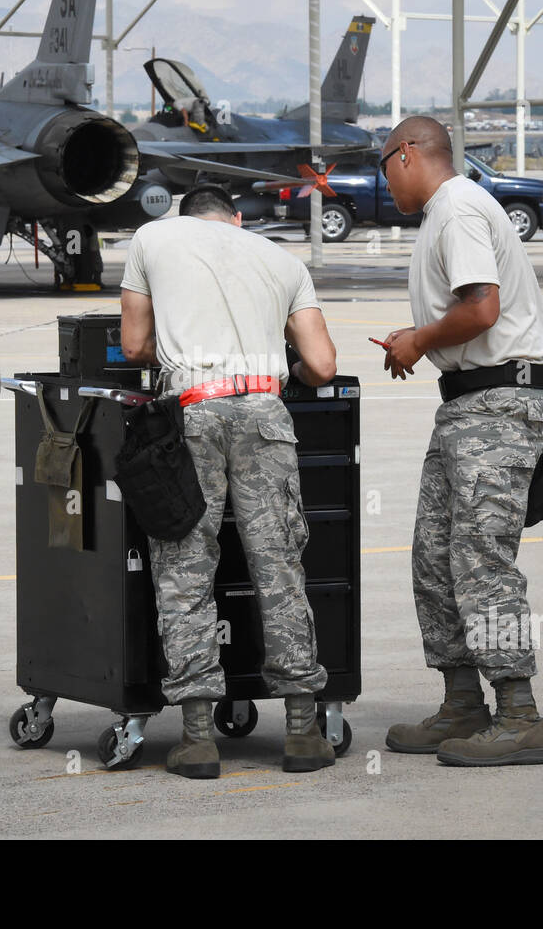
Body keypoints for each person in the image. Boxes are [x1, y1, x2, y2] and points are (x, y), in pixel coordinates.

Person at [120, 184, 339, 779]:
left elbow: (134, 344)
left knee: (187, 567)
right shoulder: (282, 259)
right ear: (236, 219)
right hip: (266, 413)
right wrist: (278, 367)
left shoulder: (150, 237)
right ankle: (301, 727)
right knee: (280, 567)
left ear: (184, 215)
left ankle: (196, 737)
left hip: (190, 410)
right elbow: (322, 366)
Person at [377, 116, 543, 766]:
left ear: (406, 155)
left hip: (498, 406)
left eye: (383, 166)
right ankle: (462, 702)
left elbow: (483, 307)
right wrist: (418, 339)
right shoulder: (445, 213)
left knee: (481, 559)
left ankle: (519, 715)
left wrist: (418, 340)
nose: (385, 182)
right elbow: (471, 313)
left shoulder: (455, 207)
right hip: (467, 404)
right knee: (434, 557)